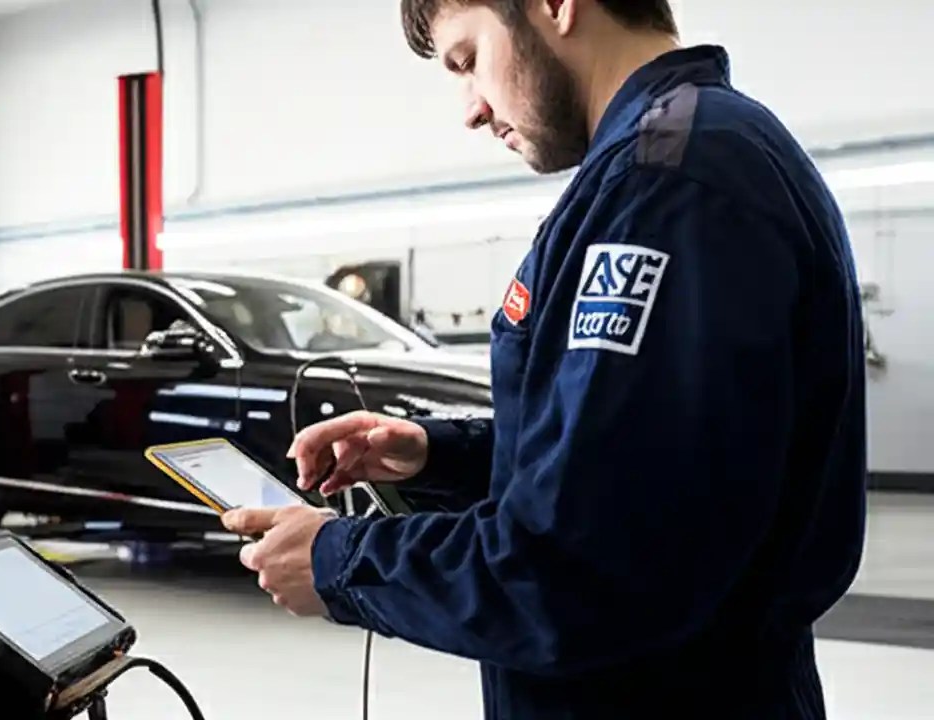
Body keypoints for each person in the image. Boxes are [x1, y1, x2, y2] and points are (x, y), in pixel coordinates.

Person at [221, 0, 867, 718]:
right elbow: (640, 462)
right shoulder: (679, 156)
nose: (472, 109)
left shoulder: (665, 187)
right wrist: (438, 454)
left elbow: (581, 571)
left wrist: (338, 560)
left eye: (469, 59)